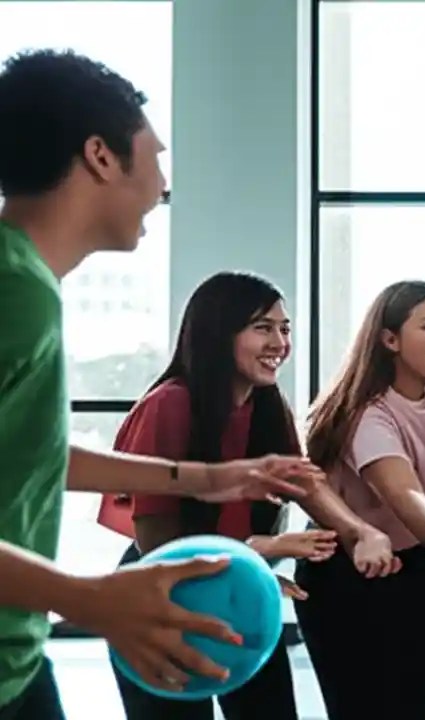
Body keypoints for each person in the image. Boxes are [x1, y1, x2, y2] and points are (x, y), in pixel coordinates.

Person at [0, 49, 318, 720]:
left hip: (17, 657)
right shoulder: (13, 293)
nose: (164, 180)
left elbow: (31, 455)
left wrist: (201, 479)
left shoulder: (29, 284)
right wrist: (90, 597)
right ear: (101, 155)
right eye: (158, 154)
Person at [96, 272, 401, 720]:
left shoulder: (266, 404)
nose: (279, 342)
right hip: (159, 601)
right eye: (262, 328)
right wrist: (260, 554)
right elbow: (156, 547)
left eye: (285, 328)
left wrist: (359, 532)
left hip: (235, 588)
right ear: (219, 333)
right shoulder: (171, 403)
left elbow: (305, 481)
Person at [300, 280, 425, 719]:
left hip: (410, 569)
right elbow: (403, 490)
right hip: (345, 575)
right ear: (389, 339)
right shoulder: (369, 413)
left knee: (418, 708)